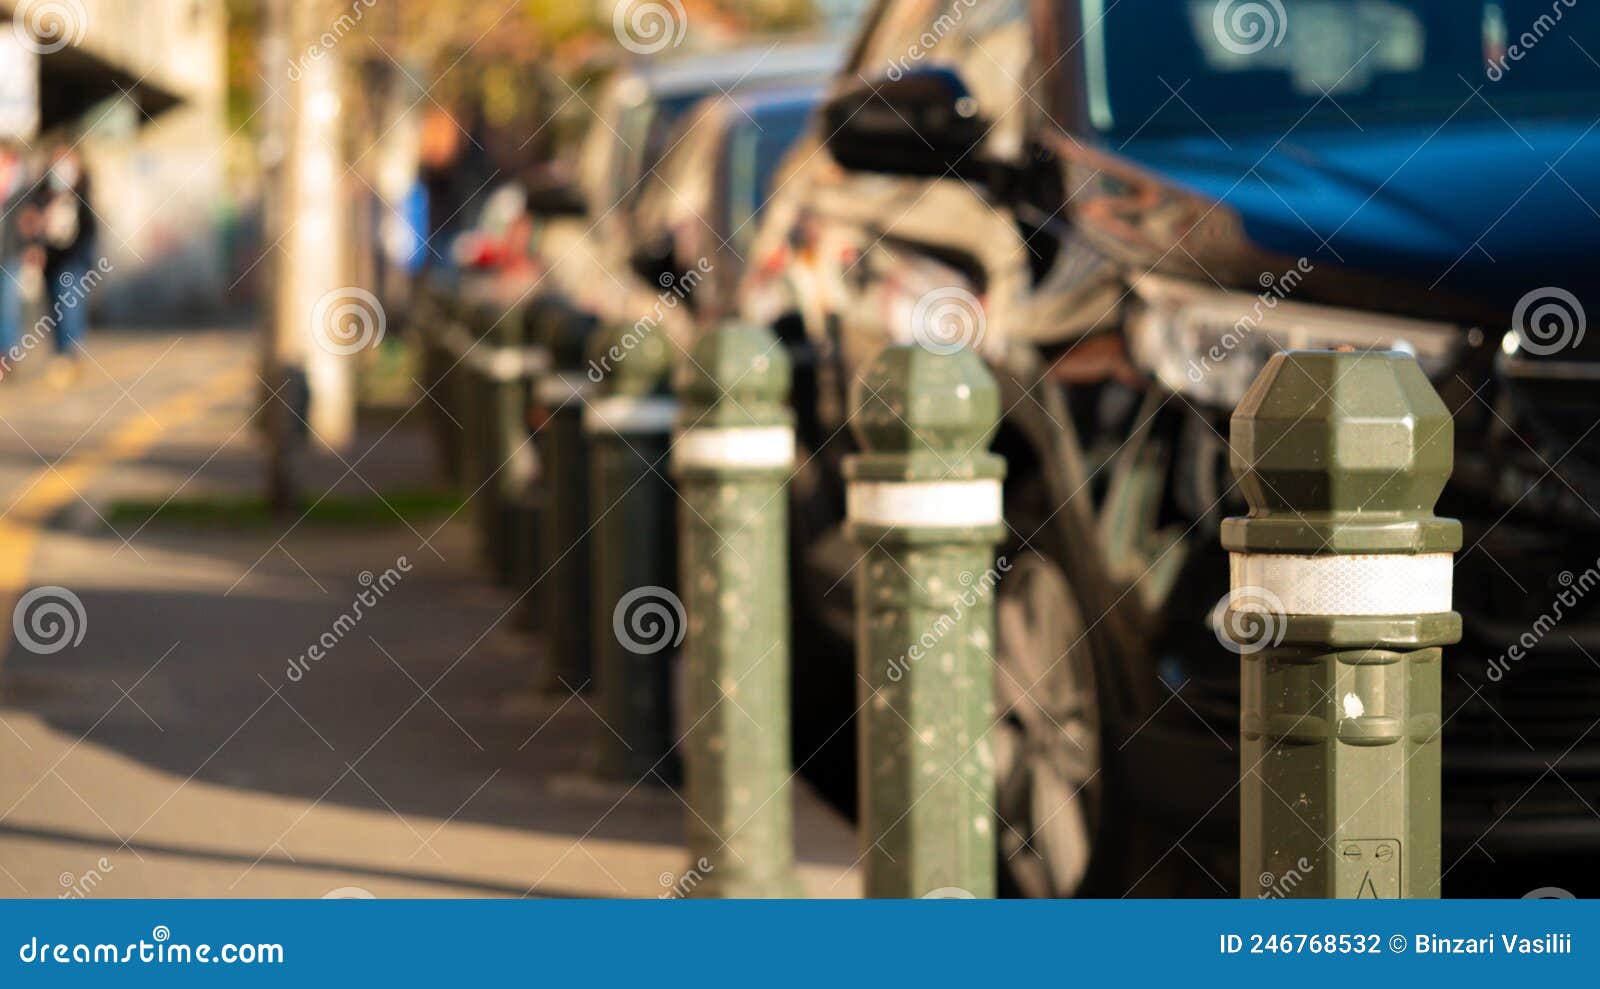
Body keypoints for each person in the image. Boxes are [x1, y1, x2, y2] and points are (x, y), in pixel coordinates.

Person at [39, 144, 95, 384]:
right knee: (56, 307)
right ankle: (63, 351)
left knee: (70, 303)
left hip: (74, 259)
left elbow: (89, 227)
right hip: (51, 261)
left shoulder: (83, 190)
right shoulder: (42, 191)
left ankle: (68, 353)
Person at [0, 144, 40, 375]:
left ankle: (7, 355)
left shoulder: (23, 185)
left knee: (8, 306)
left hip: (12, 252)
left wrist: (32, 247)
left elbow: (30, 220)